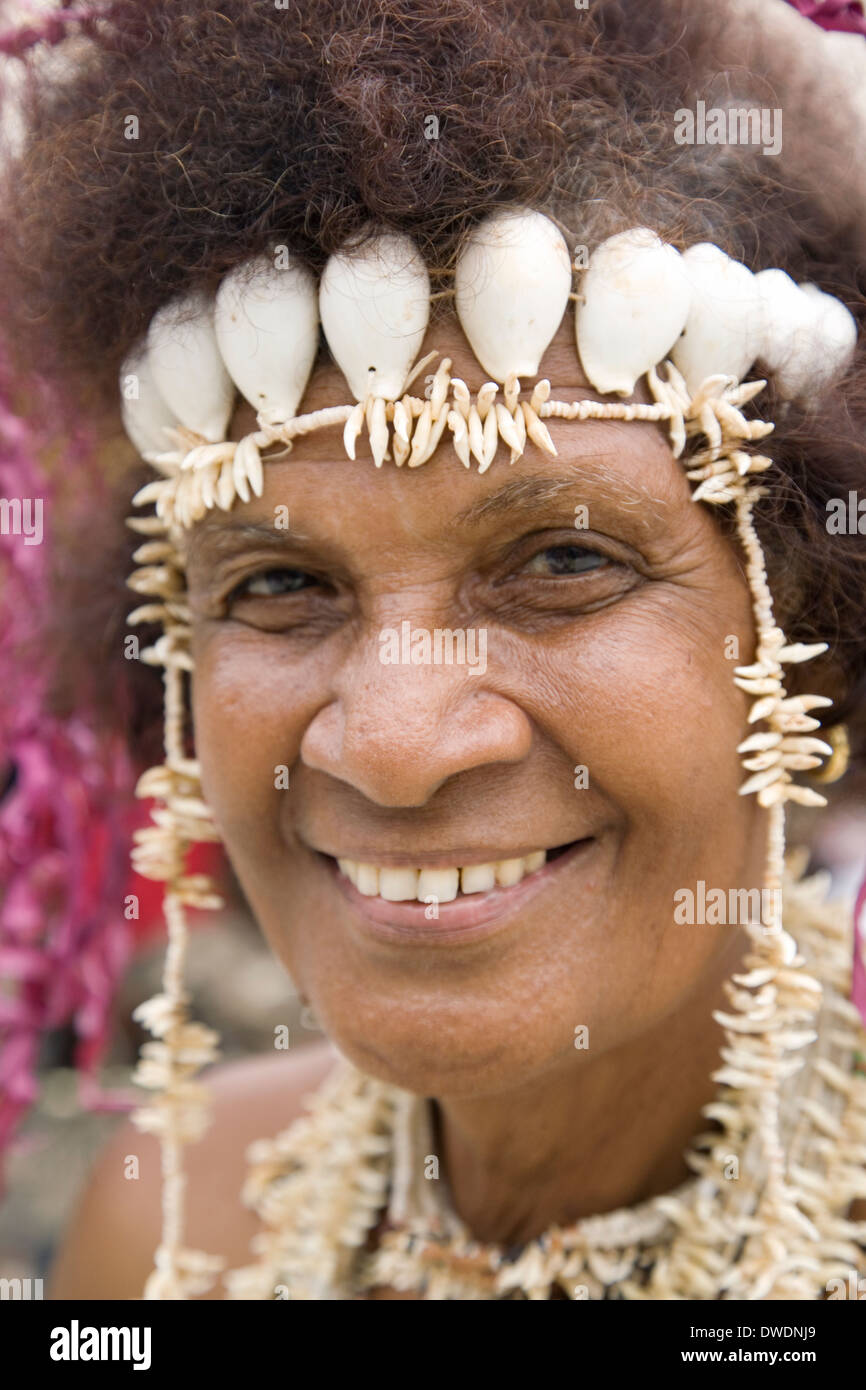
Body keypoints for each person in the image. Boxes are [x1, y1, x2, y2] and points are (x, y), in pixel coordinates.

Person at [0, 0, 864, 1300]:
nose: (394, 745)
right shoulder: (171, 1222)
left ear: (808, 631)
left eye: (565, 561)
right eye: (281, 582)